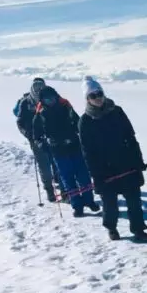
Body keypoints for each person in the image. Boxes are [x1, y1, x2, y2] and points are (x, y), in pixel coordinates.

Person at [78, 77, 147, 242]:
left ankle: (138, 229)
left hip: (127, 164)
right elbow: (87, 151)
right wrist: (96, 174)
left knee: (134, 201)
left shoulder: (117, 111)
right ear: (87, 99)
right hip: (104, 170)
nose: (98, 98)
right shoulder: (85, 121)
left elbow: (130, 137)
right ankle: (111, 228)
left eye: (100, 93)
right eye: (93, 95)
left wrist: (138, 160)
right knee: (110, 204)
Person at [32, 85, 99, 217]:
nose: (50, 101)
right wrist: (44, 146)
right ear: (42, 100)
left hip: (75, 147)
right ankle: (77, 205)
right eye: (47, 99)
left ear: (56, 96)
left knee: (83, 175)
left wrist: (82, 135)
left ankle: (89, 201)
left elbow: (78, 122)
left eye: (51, 98)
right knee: (67, 179)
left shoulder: (66, 107)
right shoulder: (40, 115)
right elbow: (37, 136)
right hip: (58, 152)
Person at [14, 77, 58, 202]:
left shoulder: (49, 98)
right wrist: (29, 135)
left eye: (41, 86)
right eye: (36, 86)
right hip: (36, 140)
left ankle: (60, 184)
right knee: (44, 165)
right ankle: (49, 189)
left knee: (56, 161)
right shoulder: (25, 103)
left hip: (52, 137)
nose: (39, 89)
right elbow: (20, 122)